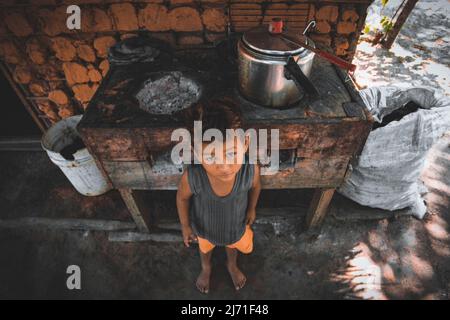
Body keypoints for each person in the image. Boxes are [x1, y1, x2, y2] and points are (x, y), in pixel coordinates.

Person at [176, 99, 261, 293]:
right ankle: (206, 268)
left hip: (235, 227)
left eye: (231, 154)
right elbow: (182, 198)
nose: (223, 166)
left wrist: (252, 208)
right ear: (195, 152)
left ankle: (231, 265)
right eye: (211, 156)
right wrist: (185, 225)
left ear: (246, 143)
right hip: (204, 230)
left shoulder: (250, 170)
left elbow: (256, 186)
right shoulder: (193, 177)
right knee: (205, 249)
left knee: (232, 246)